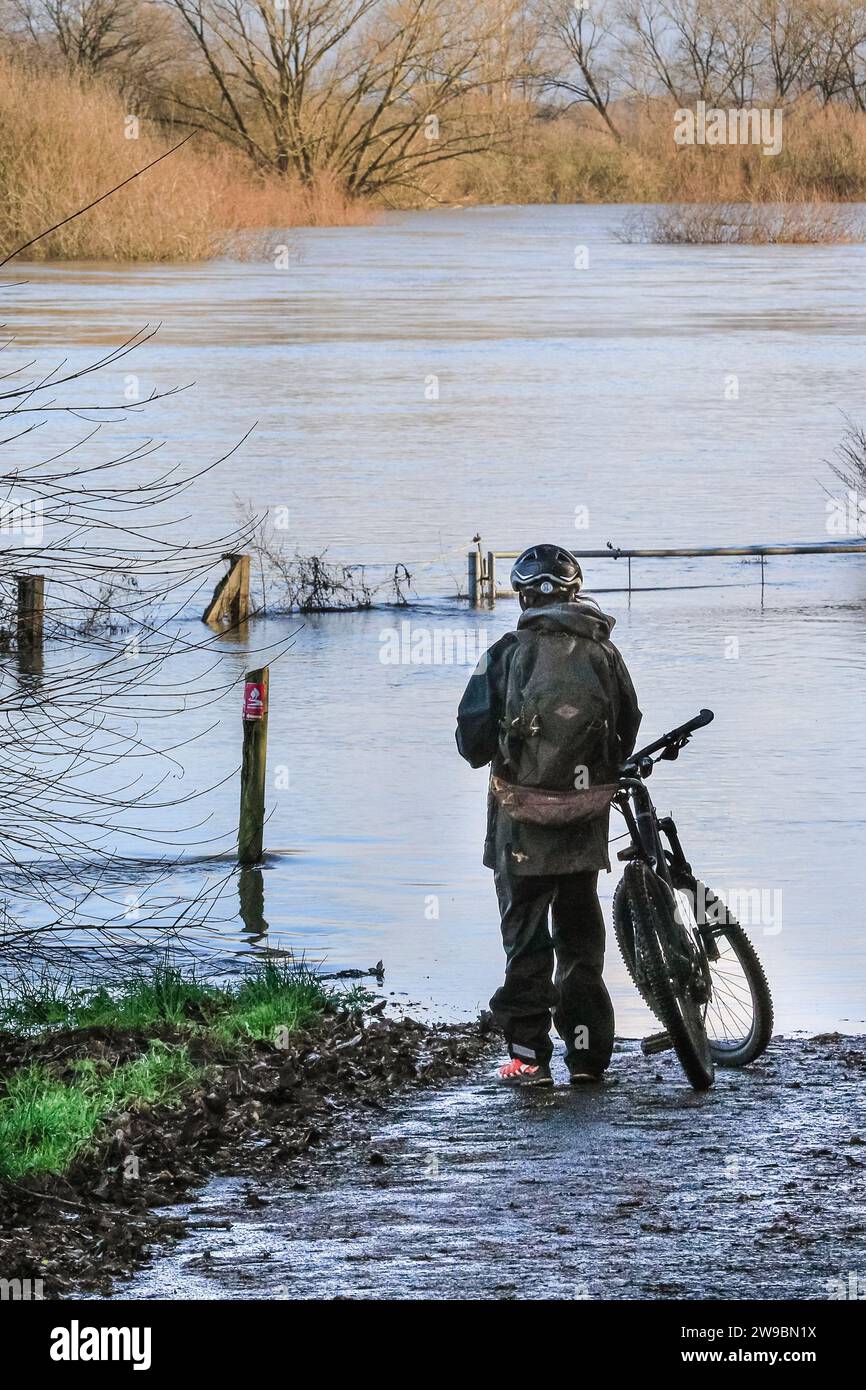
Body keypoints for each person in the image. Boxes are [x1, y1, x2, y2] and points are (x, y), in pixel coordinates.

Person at [456, 544, 641, 1087]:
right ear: (574, 591)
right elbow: (627, 722)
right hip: (584, 817)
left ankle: (528, 1058)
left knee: (527, 937)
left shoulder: (506, 651)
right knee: (581, 936)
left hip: (521, 820)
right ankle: (587, 1059)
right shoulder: (604, 652)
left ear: (522, 594)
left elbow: (471, 740)